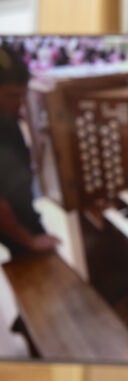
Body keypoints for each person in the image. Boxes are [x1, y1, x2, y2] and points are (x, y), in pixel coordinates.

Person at [0, 45, 59, 257]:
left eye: (22, 96)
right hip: (16, 227)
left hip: (23, 212)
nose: (19, 104)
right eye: (12, 96)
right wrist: (30, 241)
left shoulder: (6, 115)